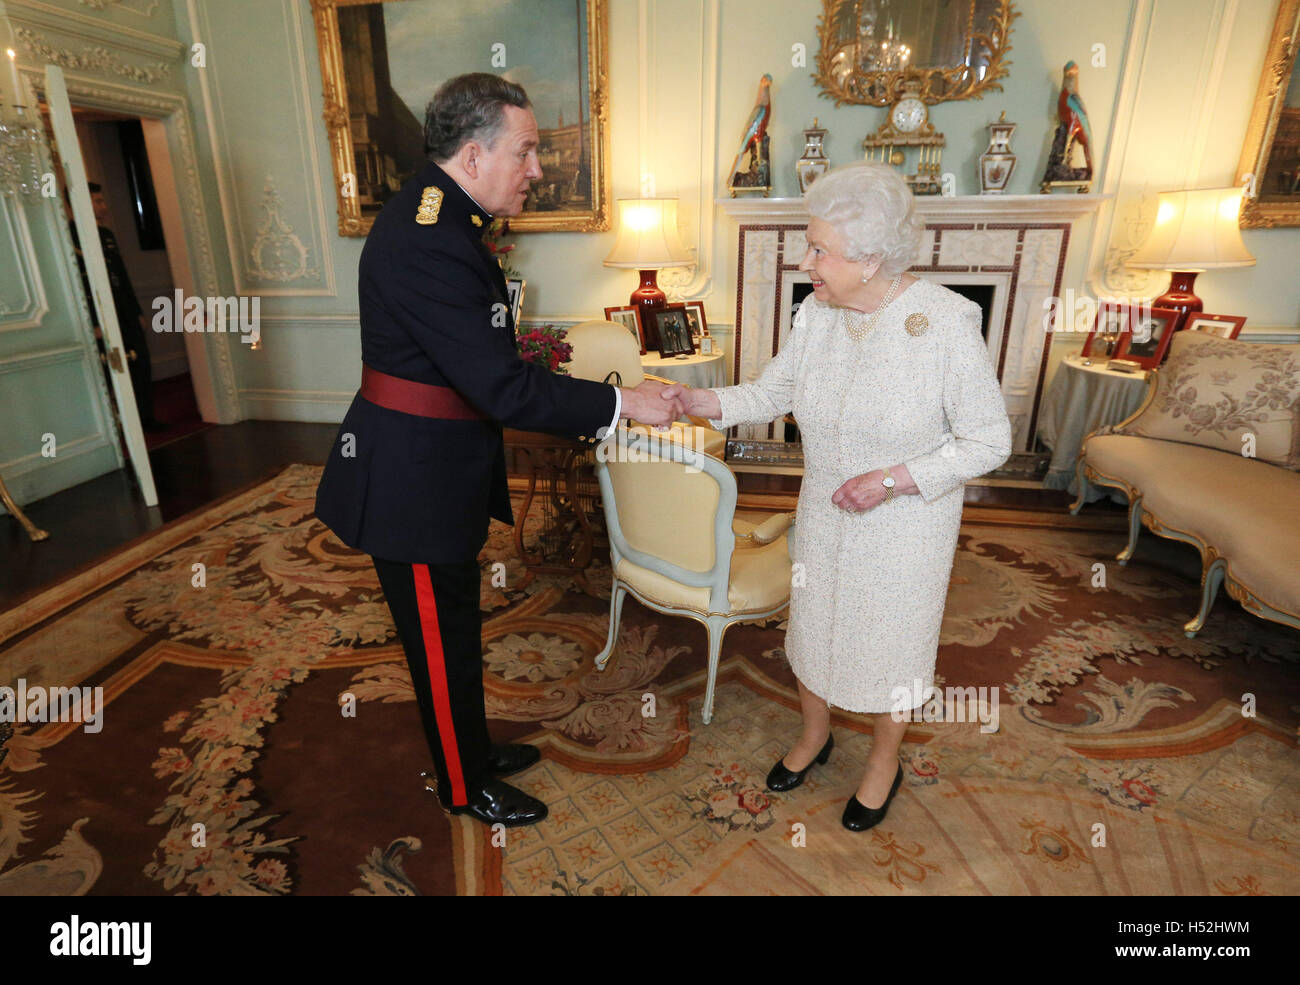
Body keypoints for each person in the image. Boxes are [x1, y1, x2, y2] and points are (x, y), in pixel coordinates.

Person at [314, 73, 682, 828]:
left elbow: (481, 368)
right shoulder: (431, 240)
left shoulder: (438, 214)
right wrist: (623, 401)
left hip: (434, 461)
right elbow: (503, 389)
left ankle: (472, 750)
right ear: (475, 155)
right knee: (441, 647)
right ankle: (462, 783)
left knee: (458, 629)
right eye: (527, 151)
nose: (538, 169)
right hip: (410, 484)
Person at [664, 162, 1011, 831]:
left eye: (820, 249)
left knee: (894, 643)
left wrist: (891, 478)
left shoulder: (944, 323)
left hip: (907, 524)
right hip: (823, 510)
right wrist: (696, 400)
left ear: (871, 258)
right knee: (815, 628)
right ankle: (814, 734)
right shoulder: (815, 315)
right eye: (809, 244)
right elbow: (771, 393)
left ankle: (884, 759)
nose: (807, 260)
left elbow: (988, 440)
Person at [78, 182, 160, 430]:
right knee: (110, 368)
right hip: (101, 312)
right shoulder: (73, 236)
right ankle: (120, 423)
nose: (103, 206)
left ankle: (145, 418)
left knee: (140, 361)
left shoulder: (106, 235)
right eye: (97, 201)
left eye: (102, 201)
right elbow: (82, 285)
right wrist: (93, 322)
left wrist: (136, 312)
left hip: (123, 309)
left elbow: (122, 277)